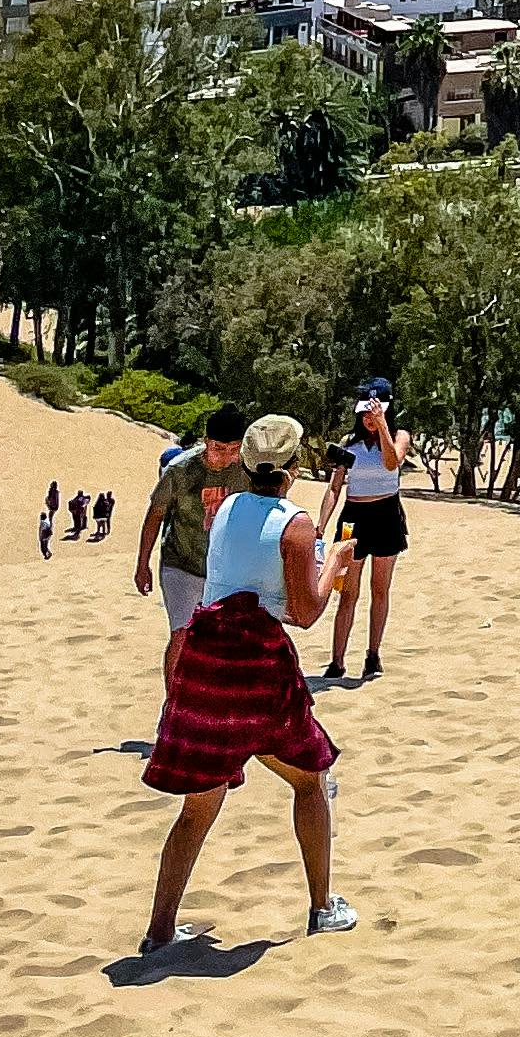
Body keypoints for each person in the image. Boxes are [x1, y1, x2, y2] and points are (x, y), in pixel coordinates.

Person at [139, 412, 358, 958]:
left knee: (198, 807)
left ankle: (160, 929)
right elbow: (305, 613)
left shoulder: (228, 507)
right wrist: (332, 563)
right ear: (291, 467)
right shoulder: (296, 523)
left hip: (206, 658)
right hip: (257, 663)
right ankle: (322, 906)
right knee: (311, 781)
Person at [137, 407, 248, 699]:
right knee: (182, 633)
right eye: (218, 449)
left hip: (224, 568)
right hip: (181, 561)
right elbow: (155, 515)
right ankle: (173, 704)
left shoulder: (245, 470)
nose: (225, 456)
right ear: (205, 442)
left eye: (234, 449)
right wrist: (142, 564)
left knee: (222, 640)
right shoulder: (180, 470)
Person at [325, 379, 410, 684]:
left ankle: (373, 654)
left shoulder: (399, 435)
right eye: (365, 413)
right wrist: (322, 523)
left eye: (375, 412)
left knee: (379, 588)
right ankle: (336, 660)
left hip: (386, 514)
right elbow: (335, 487)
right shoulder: (349, 442)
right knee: (347, 591)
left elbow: (391, 464)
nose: (369, 418)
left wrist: (384, 427)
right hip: (354, 517)